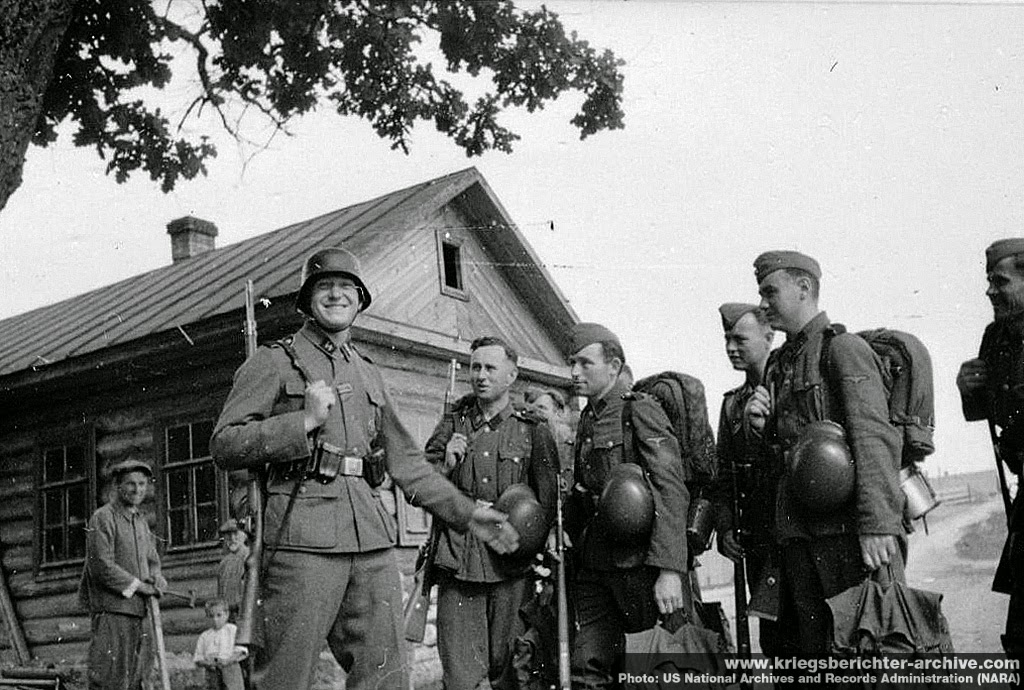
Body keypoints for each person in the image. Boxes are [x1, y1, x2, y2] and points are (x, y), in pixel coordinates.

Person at [210, 247, 520, 690]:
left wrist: (467, 513)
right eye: (325, 286)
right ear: (307, 300)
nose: (336, 294)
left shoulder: (367, 371)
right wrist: (303, 421)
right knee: (285, 677)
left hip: (370, 539)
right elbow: (224, 443)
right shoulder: (273, 361)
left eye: (346, 287)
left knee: (386, 672)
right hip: (301, 541)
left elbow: (408, 462)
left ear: (359, 300)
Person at [745, 251, 903, 654]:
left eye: (770, 292)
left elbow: (872, 437)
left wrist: (878, 524)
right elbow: (789, 455)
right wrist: (762, 429)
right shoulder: (779, 364)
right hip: (799, 536)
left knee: (867, 653)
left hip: (848, 536)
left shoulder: (842, 349)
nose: (762, 304)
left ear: (804, 288)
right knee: (817, 655)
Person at [425, 336, 559, 690]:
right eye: (475, 367)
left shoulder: (532, 429)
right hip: (458, 560)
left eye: (490, 368)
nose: (480, 375)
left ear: (512, 375)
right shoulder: (452, 422)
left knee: (513, 667)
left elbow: (548, 502)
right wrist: (445, 466)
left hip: (511, 561)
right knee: (460, 673)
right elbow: (417, 487)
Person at [564, 322, 690, 689]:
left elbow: (670, 488)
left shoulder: (639, 411)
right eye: (572, 363)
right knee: (587, 668)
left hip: (639, 568)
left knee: (655, 669)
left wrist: (669, 570)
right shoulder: (588, 417)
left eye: (585, 363)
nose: (574, 373)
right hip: (595, 564)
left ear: (615, 367)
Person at [957, 238, 1024, 676]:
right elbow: (983, 411)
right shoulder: (995, 337)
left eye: (999, 281)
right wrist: (968, 388)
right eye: (989, 282)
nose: (990, 291)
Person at [707, 303, 779, 652]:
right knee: (774, 640)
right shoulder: (732, 404)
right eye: (727, 340)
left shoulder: (787, 390)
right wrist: (724, 527)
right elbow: (722, 474)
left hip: (795, 534)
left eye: (740, 339)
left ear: (769, 337)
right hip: (758, 540)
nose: (731, 348)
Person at [78, 459, 167, 690]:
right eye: (131, 484)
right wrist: (139, 585)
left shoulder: (141, 522)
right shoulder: (103, 518)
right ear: (117, 486)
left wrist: (157, 577)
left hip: (140, 611)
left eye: (142, 484)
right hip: (112, 611)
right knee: (109, 679)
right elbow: (101, 566)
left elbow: (152, 561)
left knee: (137, 680)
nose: (138, 490)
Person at [524, 386, 575, 490]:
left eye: (542, 408)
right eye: (532, 409)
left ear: (558, 413)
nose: (535, 412)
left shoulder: (569, 445)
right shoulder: (524, 439)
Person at [194, 598, 248, 690]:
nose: (215, 619)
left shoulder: (232, 630)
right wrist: (207, 663)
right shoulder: (205, 636)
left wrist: (228, 661)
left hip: (230, 668)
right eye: (211, 616)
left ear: (226, 614)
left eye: (219, 615)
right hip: (212, 670)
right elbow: (198, 658)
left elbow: (241, 651)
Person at [215, 518, 249, 619]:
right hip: (228, 615)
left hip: (244, 614)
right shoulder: (224, 564)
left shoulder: (250, 558)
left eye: (236, 534)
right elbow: (220, 594)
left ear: (244, 535)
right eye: (228, 535)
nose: (232, 539)